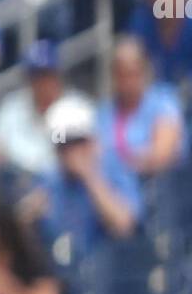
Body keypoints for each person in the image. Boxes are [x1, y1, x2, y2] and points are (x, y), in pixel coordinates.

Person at [36, 95, 142, 250]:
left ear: (91, 141)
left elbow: (124, 224)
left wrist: (89, 176)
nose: (70, 152)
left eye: (76, 143)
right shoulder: (50, 181)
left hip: (115, 263)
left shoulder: (113, 167)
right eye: (63, 145)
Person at [0, 40, 87, 177]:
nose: (41, 83)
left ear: (57, 76)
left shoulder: (74, 109)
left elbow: (69, 160)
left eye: (46, 75)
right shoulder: (12, 105)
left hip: (58, 185)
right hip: (13, 180)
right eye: (36, 76)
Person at [96, 36, 186, 176]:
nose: (128, 82)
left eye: (133, 73)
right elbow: (95, 157)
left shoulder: (164, 101)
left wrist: (119, 164)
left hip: (160, 188)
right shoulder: (104, 112)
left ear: (145, 71)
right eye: (121, 74)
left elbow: (161, 155)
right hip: (116, 190)